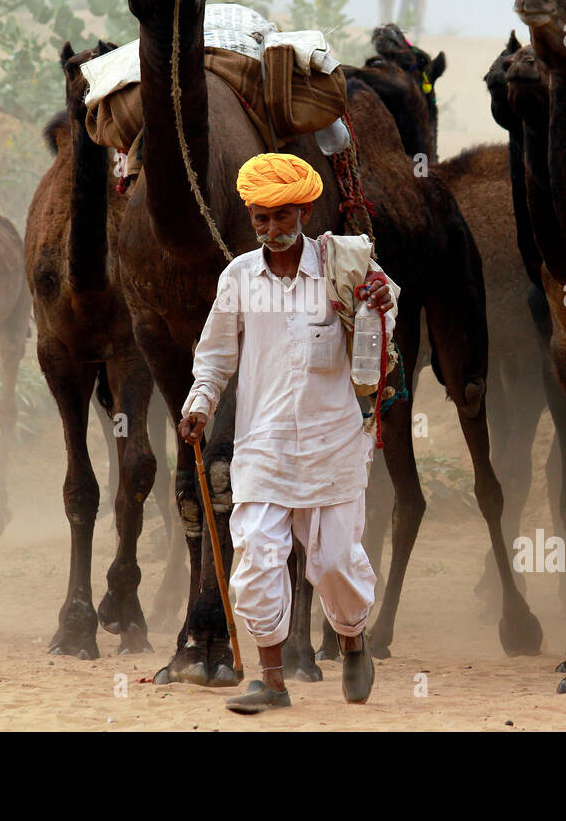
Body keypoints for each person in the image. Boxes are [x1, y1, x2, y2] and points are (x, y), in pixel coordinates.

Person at [179, 153, 396, 715]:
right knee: (255, 557)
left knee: (332, 563)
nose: (271, 230)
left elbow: (385, 312)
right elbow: (215, 356)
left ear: (302, 210)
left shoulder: (343, 266)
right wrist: (200, 404)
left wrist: (380, 302)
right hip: (263, 444)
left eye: (281, 217)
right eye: (260, 220)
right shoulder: (239, 278)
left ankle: (353, 641)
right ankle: (272, 681)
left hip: (334, 443)